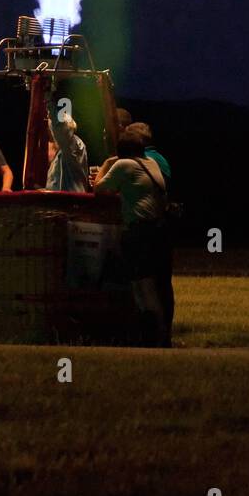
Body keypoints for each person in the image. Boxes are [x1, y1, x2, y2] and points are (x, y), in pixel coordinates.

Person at [93, 126, 170, 347]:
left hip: (138, 232)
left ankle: (153, 337)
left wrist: (108, 164)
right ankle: (159, 334)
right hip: (157, 231)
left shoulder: (123, 165)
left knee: (142, 285)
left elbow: (98, 187)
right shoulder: (151, 163)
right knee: (150, 284)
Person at [45, 97, 88, 192]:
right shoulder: (63, 149)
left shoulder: (73, 144)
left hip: (71, 202)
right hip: (64, 201)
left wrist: (48, 101)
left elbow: (59, 128)